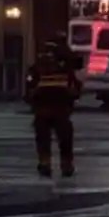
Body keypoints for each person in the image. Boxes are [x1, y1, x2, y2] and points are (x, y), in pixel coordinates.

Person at [27, 34, 80, 178]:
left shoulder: (38, 67)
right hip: (60, 108)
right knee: (65, 139)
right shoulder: (67, 66)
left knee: (43, 138)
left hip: (43, 108)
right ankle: (65, 165)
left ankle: (45, 164)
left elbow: (30, 85)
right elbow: (75, 85)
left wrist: (31, 101)